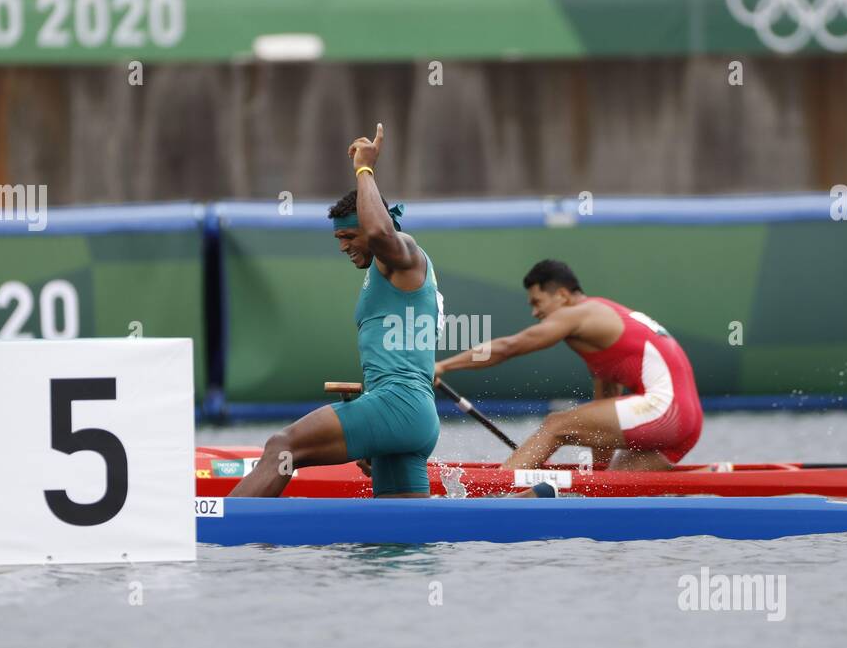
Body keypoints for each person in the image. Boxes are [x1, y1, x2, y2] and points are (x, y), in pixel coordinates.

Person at [230, 124, 442, 497]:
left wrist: (364, 168)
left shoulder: (401, 252)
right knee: (403, 538)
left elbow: (379, 234)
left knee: (282, 447)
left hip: (399, 404)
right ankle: (531, 501)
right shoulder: (388, 273)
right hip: (408, 415)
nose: (343, 247)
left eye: (347, 236)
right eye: (338, 239)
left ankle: (215, 540)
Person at [434, 259, 701, 471]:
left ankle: (495, 496)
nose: (535, 313)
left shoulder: (578, 315)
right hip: (688, 422)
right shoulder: (601, 325)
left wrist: (443, 367)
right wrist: (597, 473)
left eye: (537, 302)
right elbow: (607, 395)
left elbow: (508, 347)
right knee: (612, 487)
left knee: (556, 425)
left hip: (665, 411)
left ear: (562, 295)